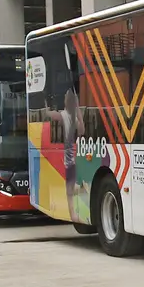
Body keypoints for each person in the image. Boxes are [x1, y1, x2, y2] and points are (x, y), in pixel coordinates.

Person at [46, 88, 84, 219]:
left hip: (69, 159)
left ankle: (73, 214)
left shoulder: (64, 115)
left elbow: (51, 115)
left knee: (69, 191)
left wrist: (46, 109)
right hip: (76, 156)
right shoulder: (76, 118)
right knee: (72, 186)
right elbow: (82, 130)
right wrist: (78, 109)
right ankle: (82, 191)